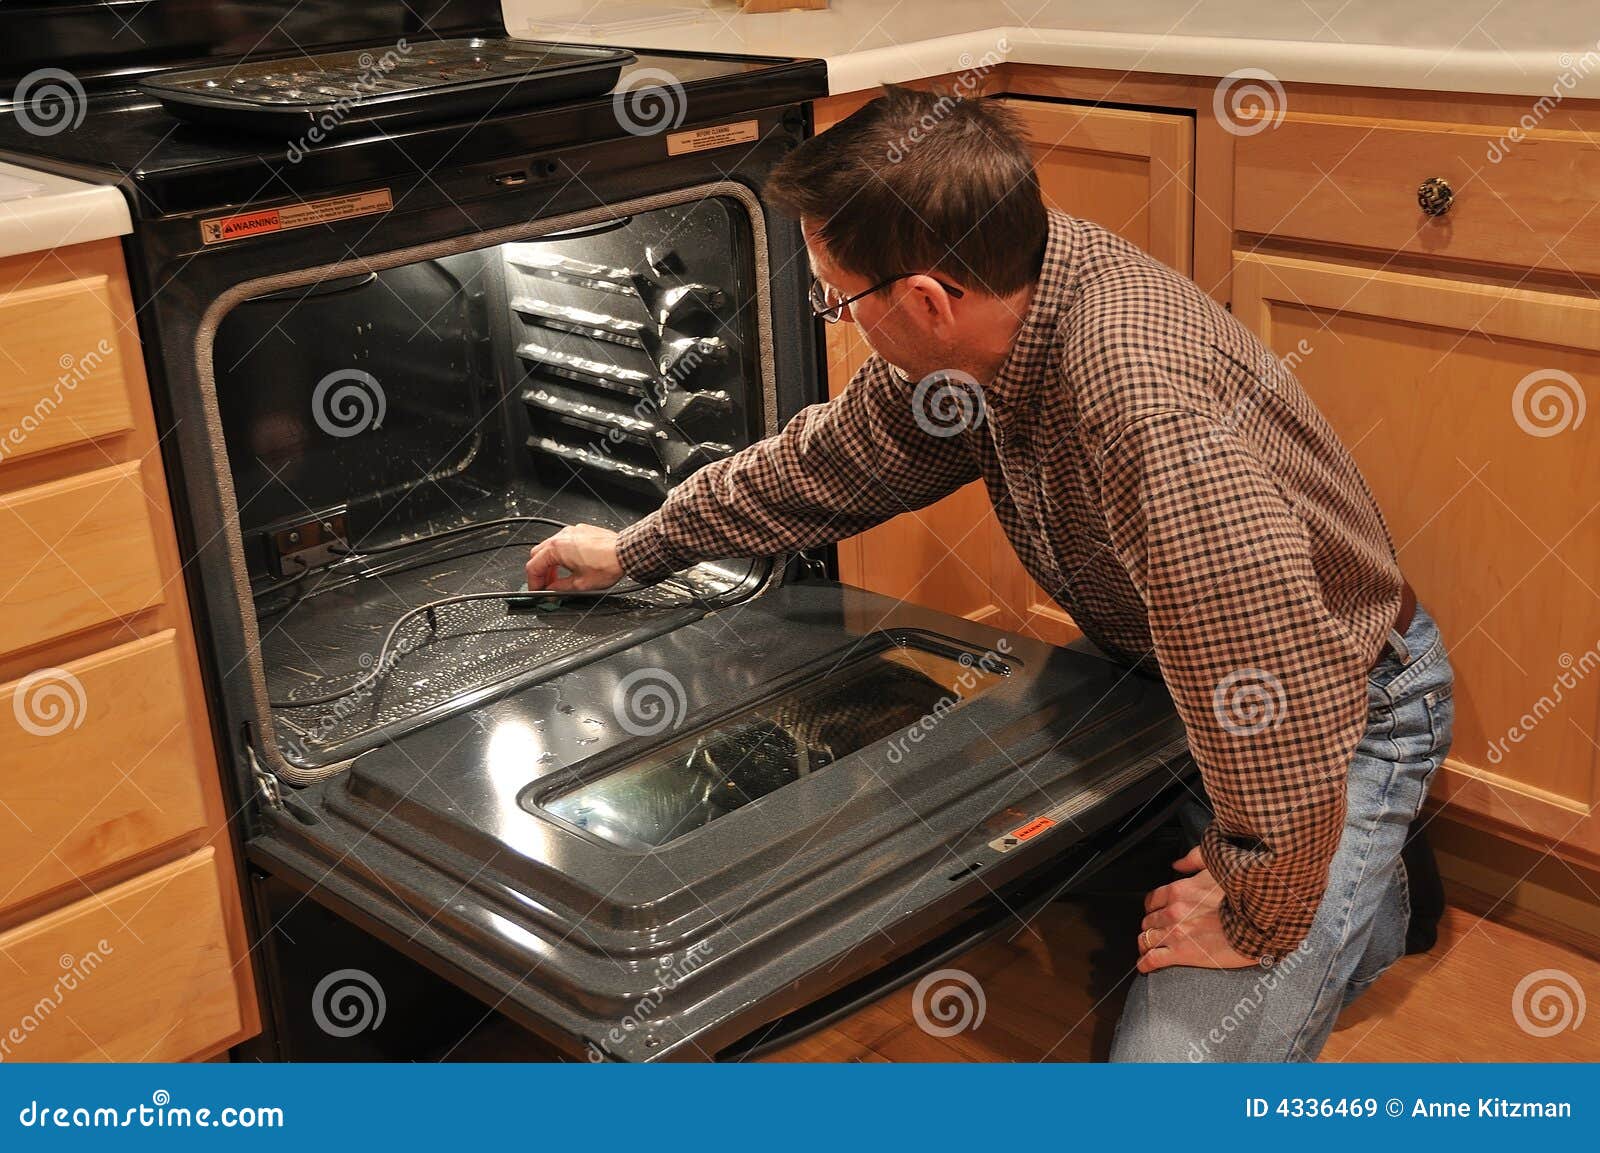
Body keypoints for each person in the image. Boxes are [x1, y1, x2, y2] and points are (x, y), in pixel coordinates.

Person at [524, 86, 1454, 1061]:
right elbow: (831, 462)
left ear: (927, 300)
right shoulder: (1007, 298)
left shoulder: (1135, 407)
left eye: (836, 297)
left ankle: (1348, 852)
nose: (836, 318)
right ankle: (1352, 879)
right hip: (1177, 676)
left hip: (1343, 704)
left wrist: (1259, 906)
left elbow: (1273, 679)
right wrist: (642, 546)